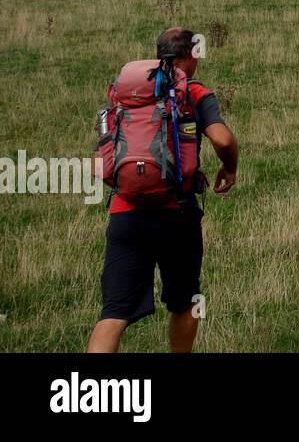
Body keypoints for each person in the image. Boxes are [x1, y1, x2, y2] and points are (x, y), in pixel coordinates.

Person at [87, 27, 238, 353]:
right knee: (186, 302)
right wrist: (230, 166)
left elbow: (102, 159)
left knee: (113, 313)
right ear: (191, 54)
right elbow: (223, 139)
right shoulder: (195, 92)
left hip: (126, 214)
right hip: (177, 216)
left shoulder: (129, 92)